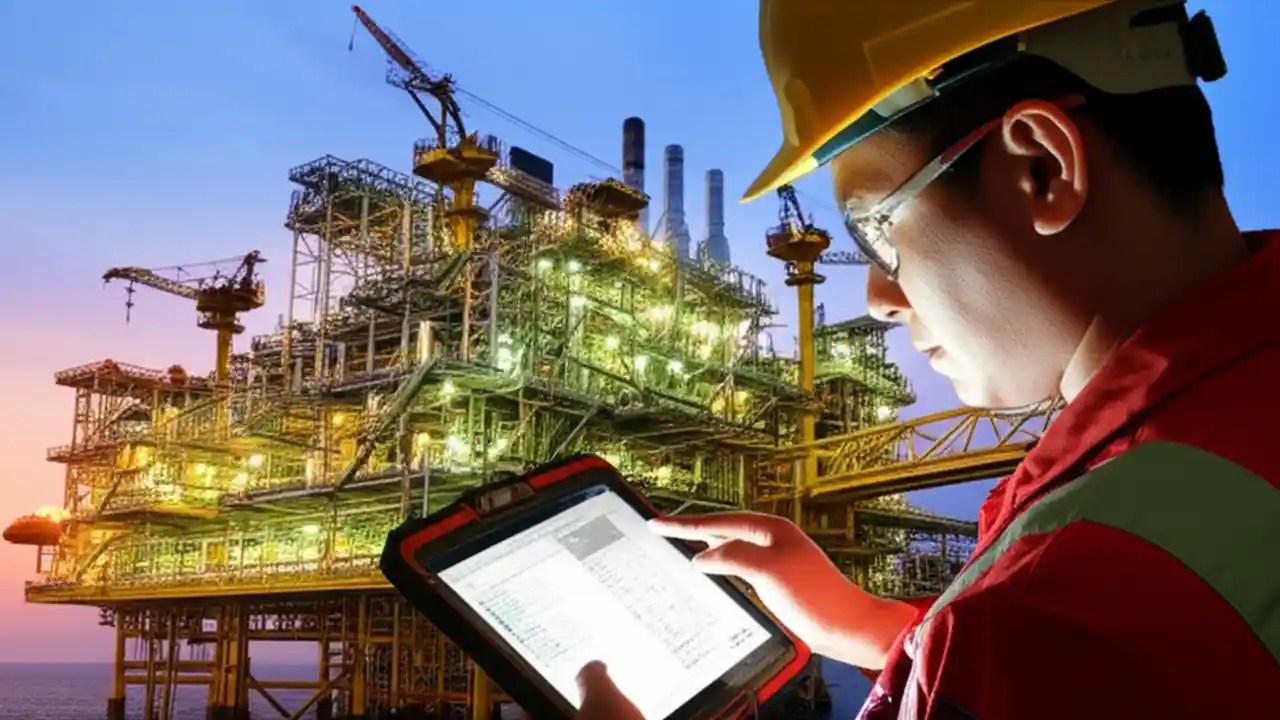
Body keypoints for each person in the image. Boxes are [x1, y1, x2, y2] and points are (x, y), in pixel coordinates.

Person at [576, 1, 1280, 718]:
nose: (880, 295)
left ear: (1041, 167)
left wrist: (963, 650)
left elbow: (1057, 650)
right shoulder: (1237, 410)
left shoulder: (1050, 614)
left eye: (877, 232)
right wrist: (873, 625)